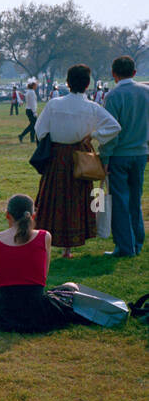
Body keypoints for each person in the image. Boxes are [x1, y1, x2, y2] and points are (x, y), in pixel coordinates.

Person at [33, 64, 120, 258]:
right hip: (80, 156)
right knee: (76, 199)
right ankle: (68, 248)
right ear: (88, 84)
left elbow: (40, 130)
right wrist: (94, 135)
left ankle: (47, 241)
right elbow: (114, 127)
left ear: (67, 82)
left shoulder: (54, 104)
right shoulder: (92, 107)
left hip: (57, 157)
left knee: (54, 198)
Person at [0, 194, 77, 332]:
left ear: (8, 215)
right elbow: (42, 277)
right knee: (71, 286)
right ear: (33, 216)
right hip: (37, 310)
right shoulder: (45, 237)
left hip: (3, 311)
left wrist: (6, 288)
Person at [101, 56, 148, 258]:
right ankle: (137, 242)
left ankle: (124, 246)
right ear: (134, 73)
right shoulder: (146, 92)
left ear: (114, 74)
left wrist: (104, 158)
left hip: (119, 155)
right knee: (135, 199)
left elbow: (110, 132)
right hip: (141, 153)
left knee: (120, 202)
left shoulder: (113, 96)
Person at [17, 78, 40, 143]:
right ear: (33, 85)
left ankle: (31, 139)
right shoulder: (32, 92)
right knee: (33, 125)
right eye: (35, 85)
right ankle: (22, 135)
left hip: (28, 110)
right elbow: (33, 103)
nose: (36, 86)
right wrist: (34, 112)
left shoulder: (28, 92)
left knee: (33, 125)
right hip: (31, 110)